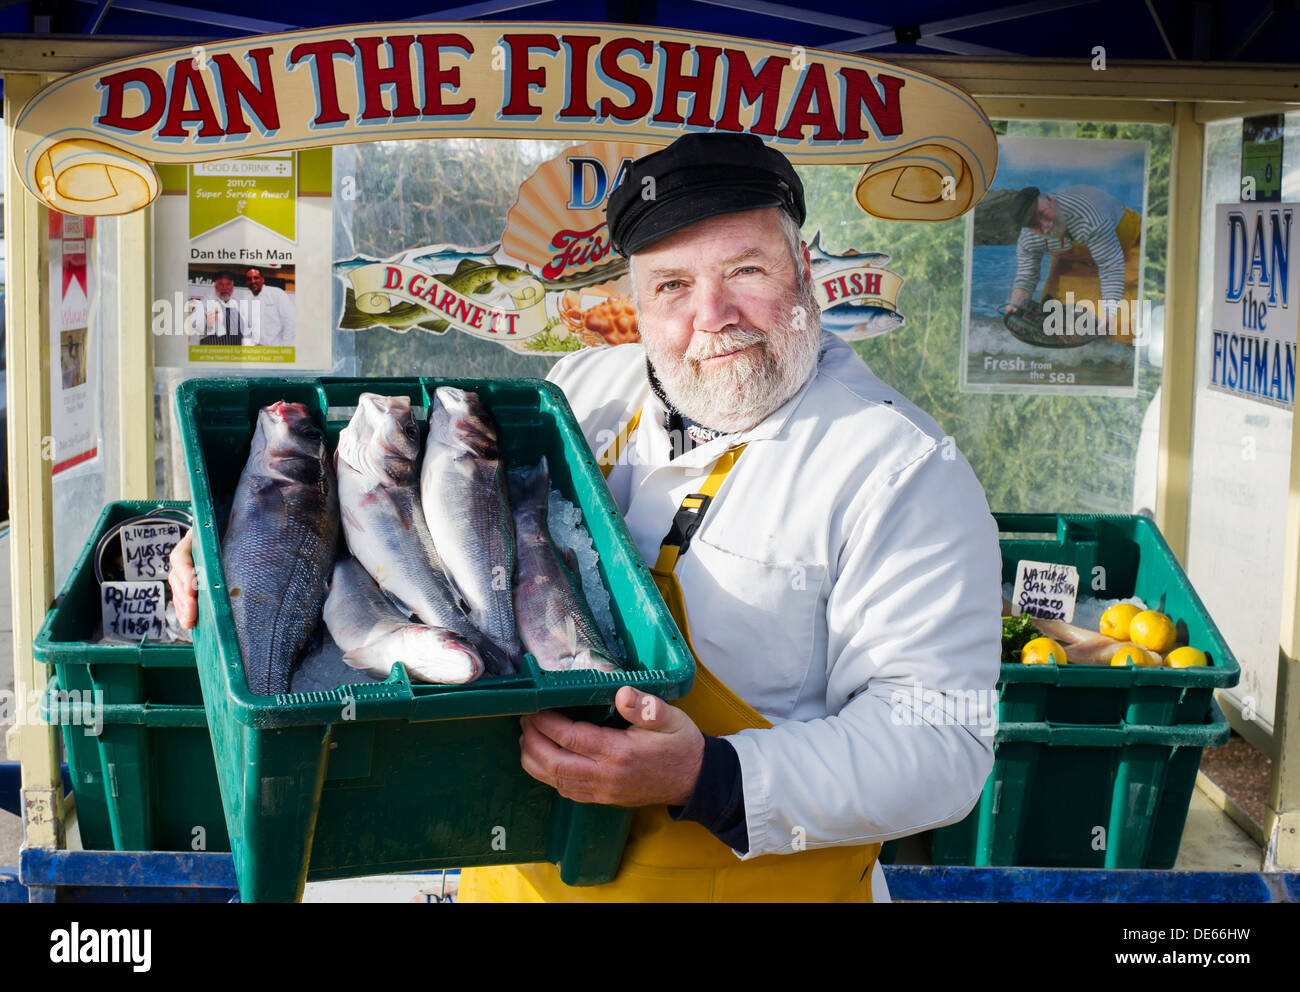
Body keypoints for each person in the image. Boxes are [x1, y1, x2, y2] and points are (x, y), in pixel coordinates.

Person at [170, 133, 1001, 903]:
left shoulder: (901, 469)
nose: (710, 315)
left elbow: (942, 745)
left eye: (745, 271)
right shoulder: (585, 392)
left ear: (805, 275)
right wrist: (230, 553)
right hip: (518, 882)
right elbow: (372, 504)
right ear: (635, 304)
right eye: (672, 286)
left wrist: (706, 775)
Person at [1002, 185, 1142, 339]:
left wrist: (1110, 313)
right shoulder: (1029, 238)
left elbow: (1110, 267)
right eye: (1035, 225)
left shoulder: (1088, 217)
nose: (1044, 225)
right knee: (1056, 319)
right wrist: (1014, 306)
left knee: (1124, 325)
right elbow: (1026, 276)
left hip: (1125, 247)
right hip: (1076, 260)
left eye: (1043, 214)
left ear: (1050, 200)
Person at [242, 266, 295, 347]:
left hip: (277, 349)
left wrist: (285, 347)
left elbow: (290, 322)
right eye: (249, 279)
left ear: (263, 279)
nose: (253, 281)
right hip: (257, 352)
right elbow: (246, 328)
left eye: (256, 278)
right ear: (246, 282)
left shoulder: (277, 294)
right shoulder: (246, 299)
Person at [198, 271, 246, 346]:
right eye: (221, 284)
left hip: (235, 354)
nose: (224, 288)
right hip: (212, 354)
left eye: (228, 284)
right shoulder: (206, 304)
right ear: (215, 287)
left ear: (232, 287)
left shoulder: (238, 305)